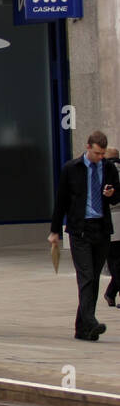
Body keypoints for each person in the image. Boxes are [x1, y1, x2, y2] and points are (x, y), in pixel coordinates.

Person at [49, 130, 120, 341]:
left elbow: (118, 195)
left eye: (102, 154)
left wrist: (112, 194)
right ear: (88, 147)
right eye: (97, 153)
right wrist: (54, 231)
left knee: (94, 278)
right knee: (86, 276)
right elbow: (61, 201)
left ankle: (82, 328)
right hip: (80, 229)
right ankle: (91, 321)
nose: (100, 158)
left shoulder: (108, 168)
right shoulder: (71, 169)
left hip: (101, 228)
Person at [105, 147, 120, 310]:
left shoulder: (104, 172)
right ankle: (110, 292)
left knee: (114, 261)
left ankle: (111, 293)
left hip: (110, 222)